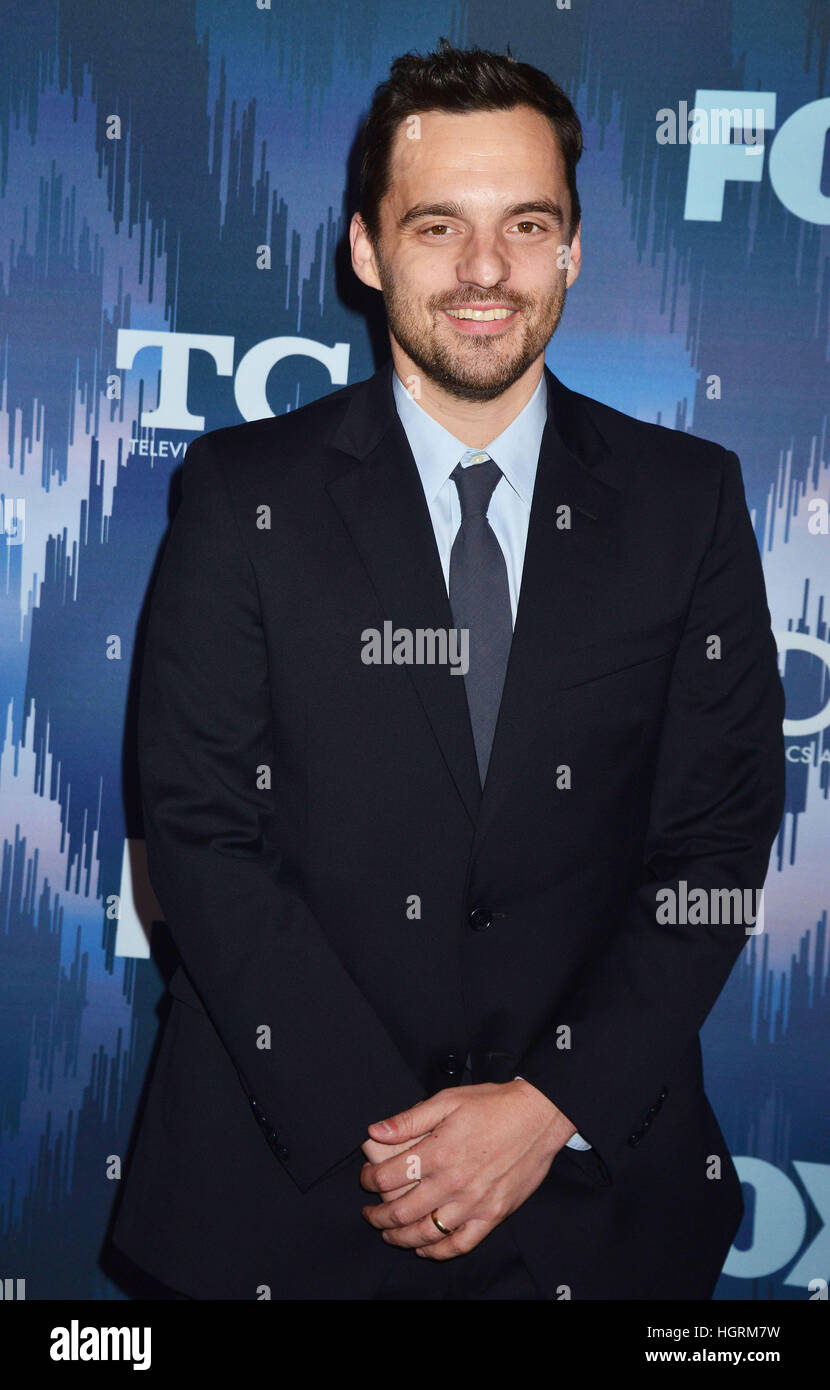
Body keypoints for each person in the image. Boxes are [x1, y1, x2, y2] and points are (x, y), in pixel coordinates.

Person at [111, 38, 786, 1300]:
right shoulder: (239, 494)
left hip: (591, 1201)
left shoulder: (684, 502)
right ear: (365, 251)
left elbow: (715, 837)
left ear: (573, 248)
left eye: (526, 223)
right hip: (283, 1191)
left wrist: (541, 1110)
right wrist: (409, 1147)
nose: (486, 270)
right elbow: (199, 835)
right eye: (438, 227)